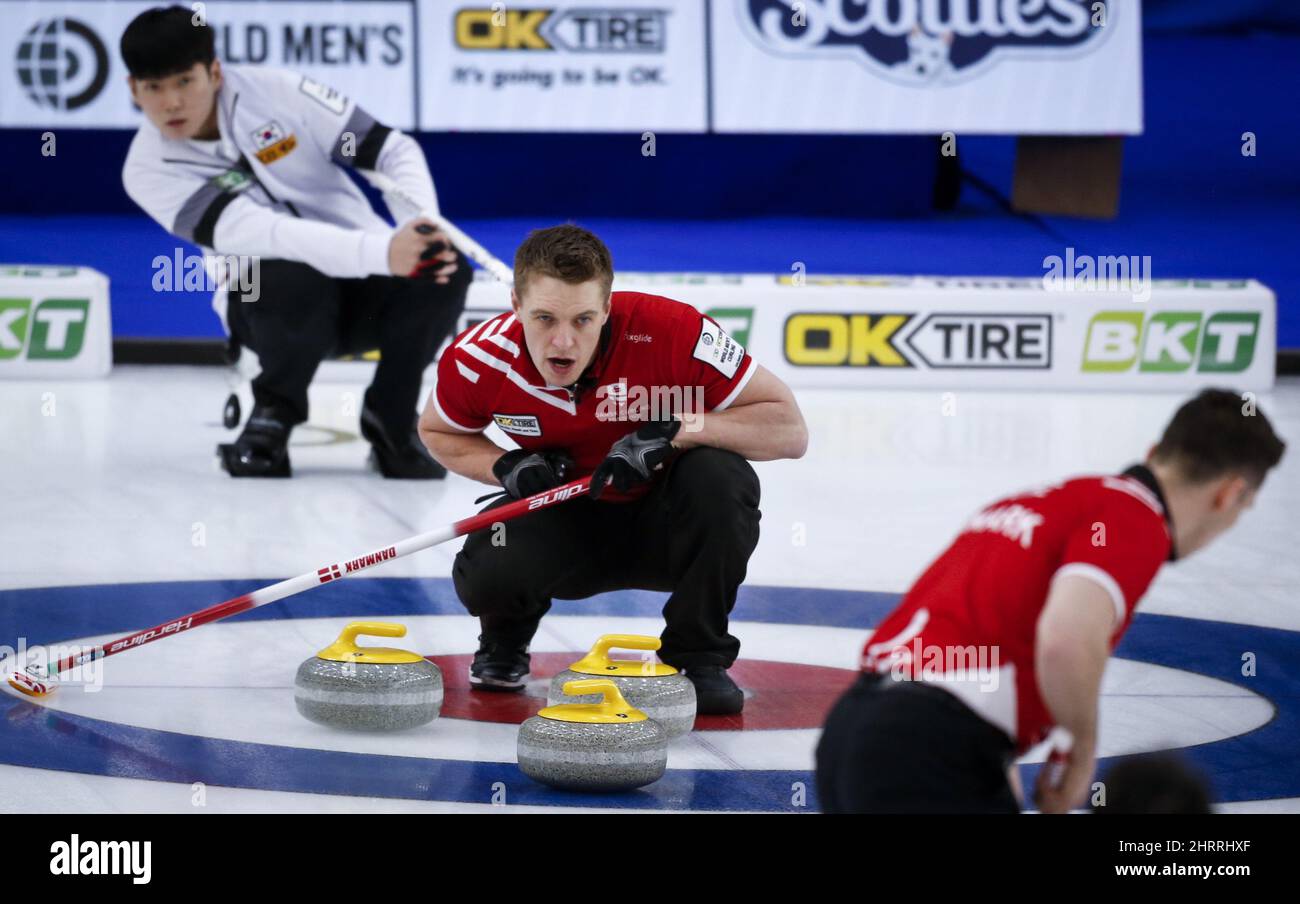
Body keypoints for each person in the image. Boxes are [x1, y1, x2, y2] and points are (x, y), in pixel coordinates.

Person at [816, 389, 1285, 813]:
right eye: (1244, 509)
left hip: (853, 731)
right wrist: (1080, 751)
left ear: (1153, 454)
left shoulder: (1046, 501)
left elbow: (967, 641)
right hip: (927, 749)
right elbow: (1065, 639)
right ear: (1230, 494)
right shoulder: (1136, 519)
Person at [418, 225, 808, 714]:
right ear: (515, 303)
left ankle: (699, 656)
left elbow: (788, 429)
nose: (563, 342)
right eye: (544, 318)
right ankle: (505, 639)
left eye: (583, 319)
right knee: (492, 557)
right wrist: (506, 466)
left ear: (607, 307)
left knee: (721, 476)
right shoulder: (479, 360)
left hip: (669, 528)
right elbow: (438, 432)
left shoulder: (675, 332)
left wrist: (676, 432)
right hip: (566, 519)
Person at [119, 6, 469, 478]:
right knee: (284, 268)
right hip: (269, 307)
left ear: (214, 72)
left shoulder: (278, 93)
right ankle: (273, 416)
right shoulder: (147, 171)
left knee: (445, 270)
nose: (171, 103)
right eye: (153, 88)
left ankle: (391, 415)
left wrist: (422, 225)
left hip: (361, 294)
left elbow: (387, 150)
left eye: (184, 81)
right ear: (132, 90)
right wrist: (383, 252)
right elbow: (267, 233)